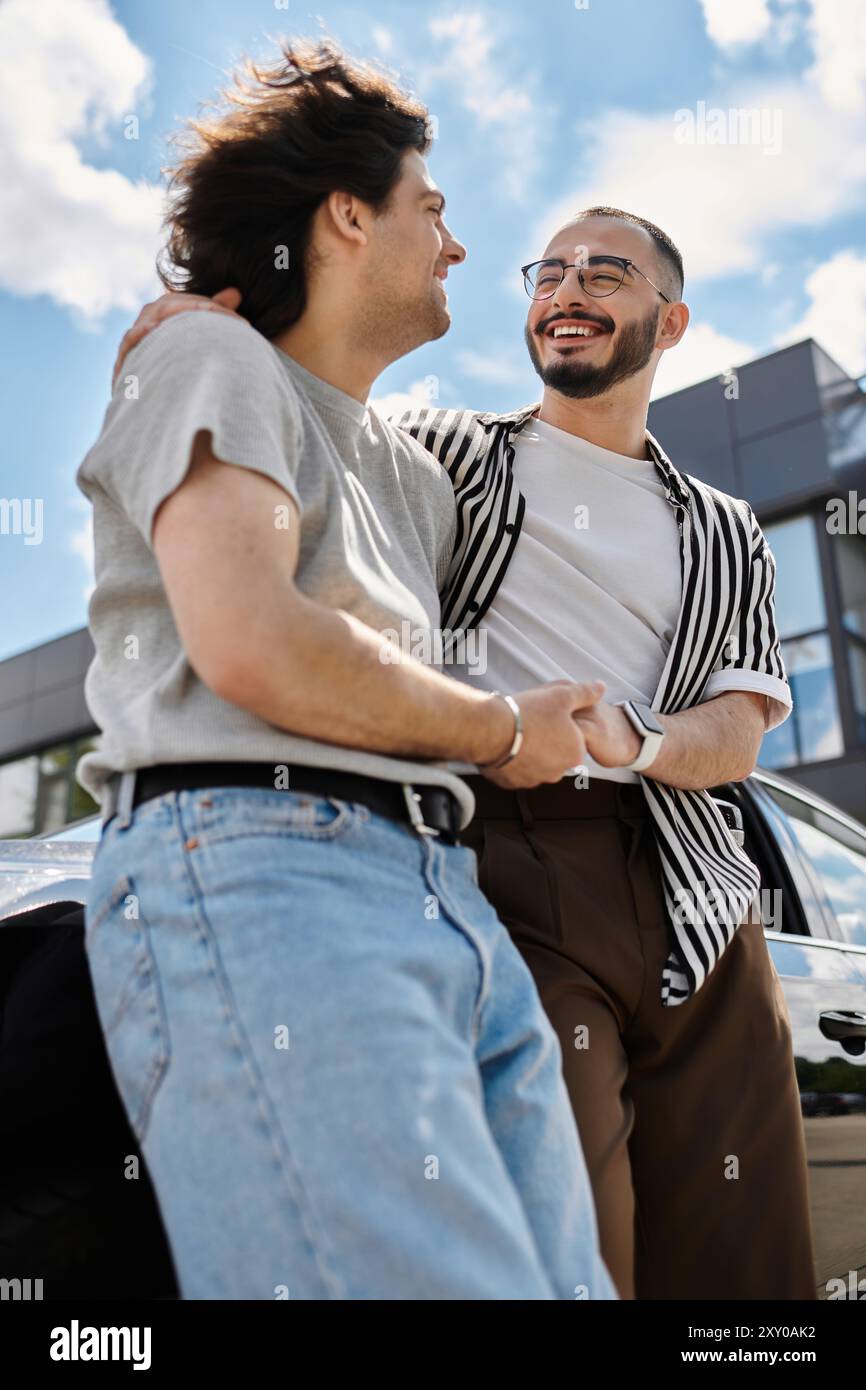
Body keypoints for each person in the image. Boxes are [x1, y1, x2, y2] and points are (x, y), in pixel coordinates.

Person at [121, 204, 817, 1301]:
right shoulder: (442, 452)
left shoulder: (725, 526)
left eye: (605, 273)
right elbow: (311, 420)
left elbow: (735, 728)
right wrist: (206, 331)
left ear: (668, 321)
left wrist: (636, 739)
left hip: (696, 885)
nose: (565, 289)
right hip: (504, 865)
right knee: (567, 1241)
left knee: (744, 1266)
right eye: (548, 271)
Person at [76, 39, 618, 1302]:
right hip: (266, 868)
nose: (458, 245)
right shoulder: (210, 360)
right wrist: (500, 729)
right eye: (431, 208)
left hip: (443, 900)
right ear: (344, 214)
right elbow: (255, 642)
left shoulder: (415, 477)